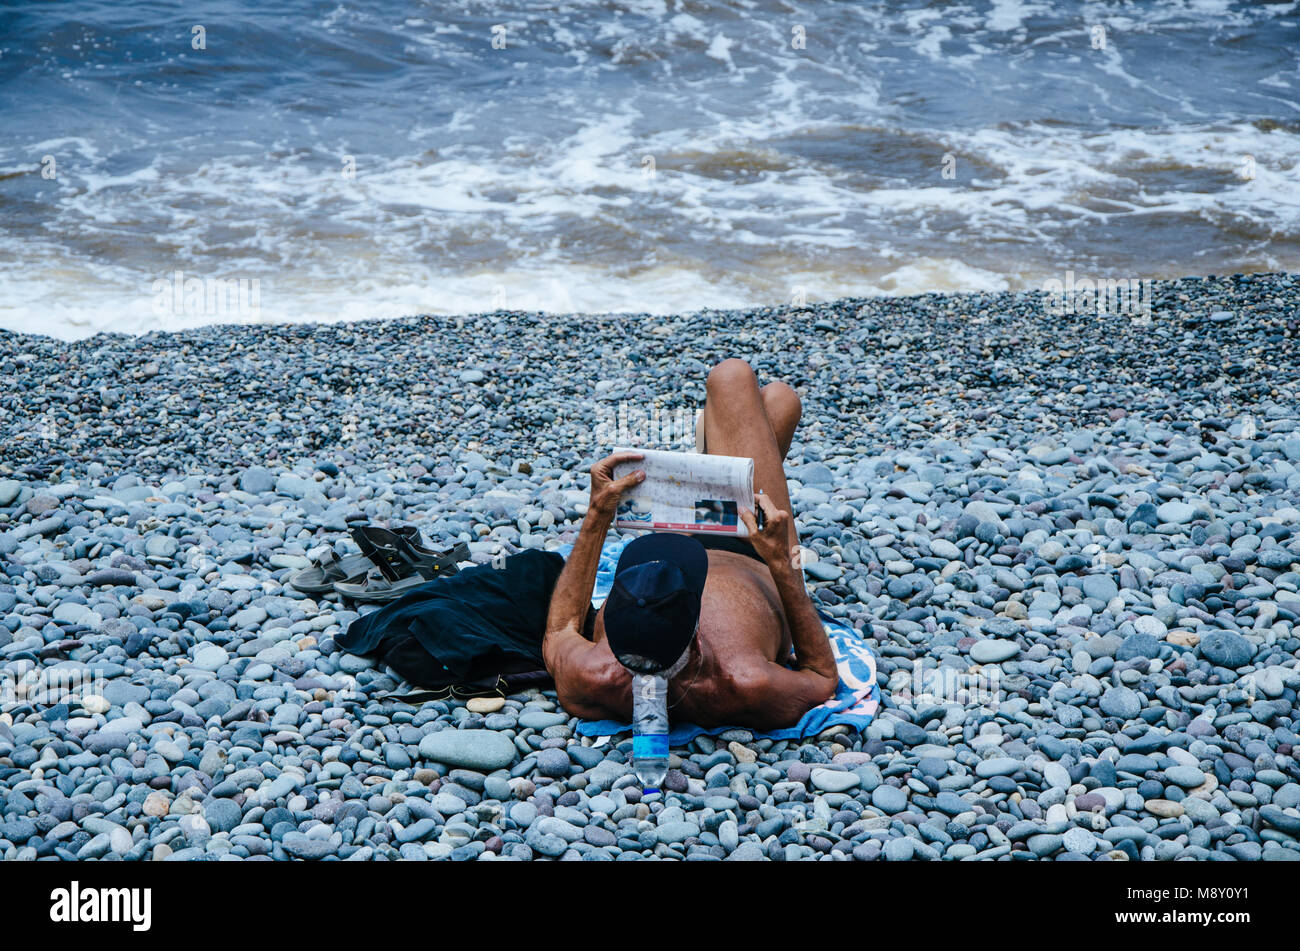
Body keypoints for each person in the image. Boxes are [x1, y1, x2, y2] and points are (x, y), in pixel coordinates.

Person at [543, 358, 837, 730]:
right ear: (697, 642)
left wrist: (597, 514)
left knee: (760, 402)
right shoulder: (745, 682)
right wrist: (784, 565)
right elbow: (822, 676)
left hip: (683, 529)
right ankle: (714, 445)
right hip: (756, 548)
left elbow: (561, 628)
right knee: (755, 389)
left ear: (614, 640)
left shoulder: (592, 675)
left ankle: (715, 447)